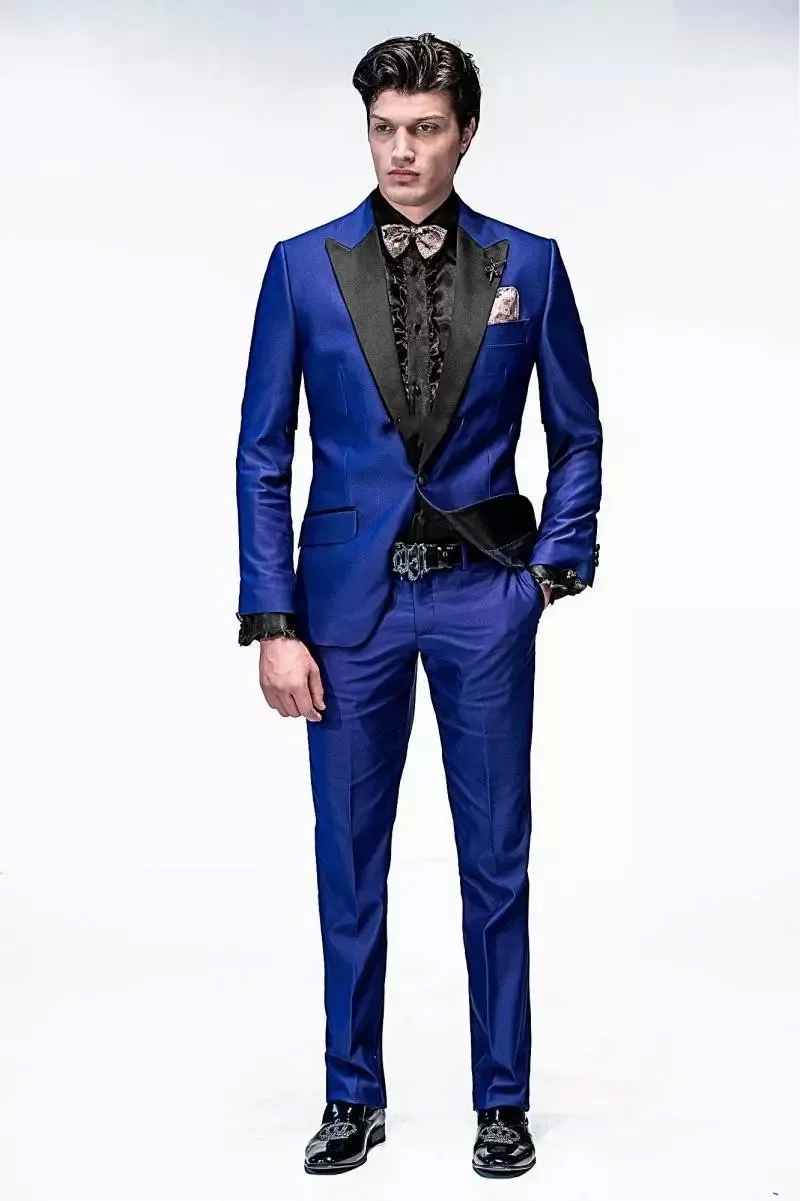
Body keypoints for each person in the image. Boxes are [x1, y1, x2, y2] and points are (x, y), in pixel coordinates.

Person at [234, 31, 602, 1178]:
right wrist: (273, 621)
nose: (400, 151)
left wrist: (549, 571)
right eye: (383, 128)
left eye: (424, 129)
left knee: (495, 860)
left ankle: (502, 1101)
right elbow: (261, 453)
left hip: (482, 602)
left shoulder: (528, 264)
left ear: (464, 133)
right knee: (348, 862)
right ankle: (353, 1096)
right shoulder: (300, 267)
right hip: (345, 614)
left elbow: (577, 432)